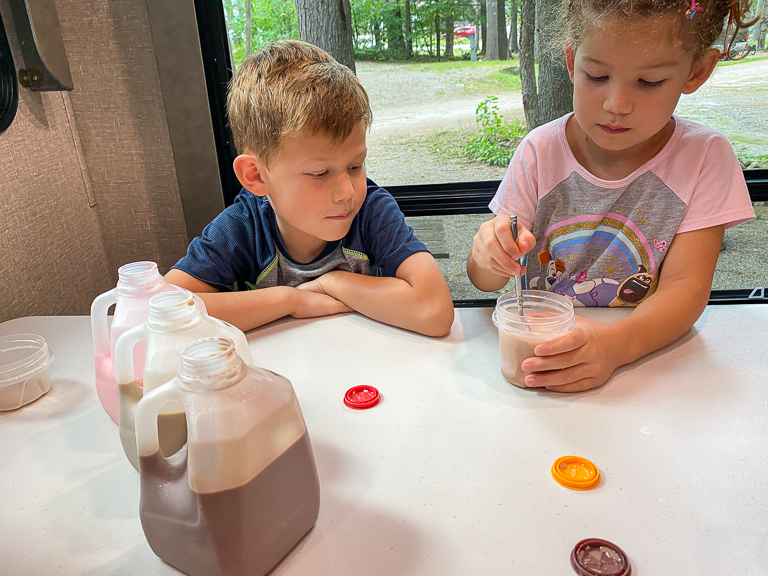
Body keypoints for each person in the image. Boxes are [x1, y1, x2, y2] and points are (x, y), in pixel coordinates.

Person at [467, 0, 756, 392]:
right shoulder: (539, 151)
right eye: (596, 75)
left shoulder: (705, 157)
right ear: (571, 61)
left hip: (649, 363)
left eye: (649, 82)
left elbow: (686, 290)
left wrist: (618, 346)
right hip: (540, 354)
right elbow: (482, 279)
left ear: (698, 71)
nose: (615, 105)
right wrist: (488, 254)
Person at [166, 40, 453, 337]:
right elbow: (163, 313)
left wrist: (332, 282)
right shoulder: (242, 227)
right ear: (257, 176)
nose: (347, 193)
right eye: (319, 173)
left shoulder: (372, 214)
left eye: (355, 166)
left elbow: (435, 311)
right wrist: (292, 299)